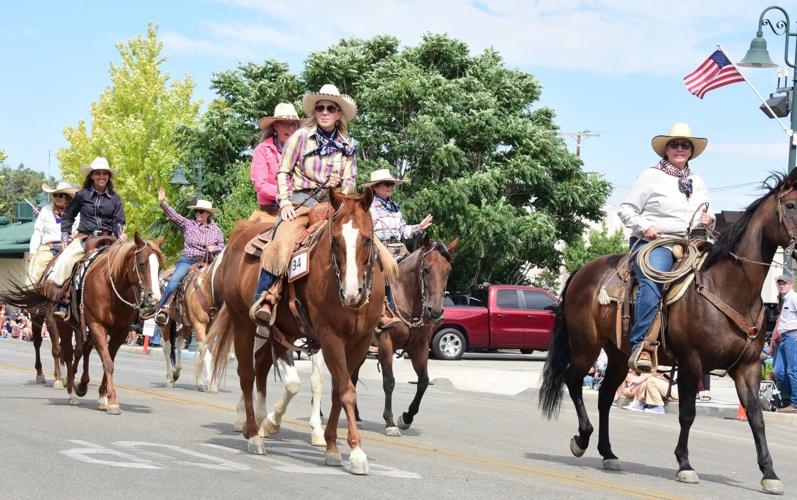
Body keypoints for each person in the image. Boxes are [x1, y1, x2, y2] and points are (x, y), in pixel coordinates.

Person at [249, 84, 360, 336]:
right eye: (319, 107)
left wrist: (341, 185)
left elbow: (352, 180)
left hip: (334, 203)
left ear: (338, 114)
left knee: (366, 242)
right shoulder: (300, 137)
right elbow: (283, 171)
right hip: (302, 200)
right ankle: (265, 297)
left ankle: (379, 306)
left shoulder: (347, 145)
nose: (324, 111)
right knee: (282, 239)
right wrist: (286, 202)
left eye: (330, 108)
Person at [618, 123, 714, 372]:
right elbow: (626, 209)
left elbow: (707, 209)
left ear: (691, 151)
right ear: (666, 150)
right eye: (675, 144)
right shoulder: (650, 176)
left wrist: (709, 218)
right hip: (655, 242)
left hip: (691, 242)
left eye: (685, 145)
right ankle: (642, 344)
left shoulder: (697, 181)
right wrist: (645, 226)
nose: (680, 149)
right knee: (653, 280)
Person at [48, 157, 126, 318]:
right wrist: (64, 238)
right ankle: (63, 302)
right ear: (91, 176)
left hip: (109, 240)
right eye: (98, 173)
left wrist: (121, 233)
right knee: (64, 262)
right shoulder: (82, 195)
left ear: (109, 177)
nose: (102, 176)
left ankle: (130, 309)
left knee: (127, 264)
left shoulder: (115, 198)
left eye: (105, 173)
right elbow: (68, 216)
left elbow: (119, 222)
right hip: (84, 239)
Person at [363, 168, 433, 330]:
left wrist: (419, 227)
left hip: (398, 248)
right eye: (387, 184)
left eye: (392, 184)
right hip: (378, 247)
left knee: (422, 267)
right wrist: (369, 226)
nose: (391, 186)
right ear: (375, 186)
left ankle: (422, 310)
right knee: (385, 272)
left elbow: (403, 232)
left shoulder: (394, 207)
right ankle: (383, 315)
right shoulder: (368, 206)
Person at [155, 188, 225, 325]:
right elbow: (174, 216)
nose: (198, 213)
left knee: (222, 282)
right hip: (187, 261)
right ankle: (163, 308)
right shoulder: (189, 225)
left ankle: (222, 312)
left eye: (201, 211)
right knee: (174, 281)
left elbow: (222, 247)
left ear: (208, 214)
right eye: (196, 211)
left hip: (207, 262)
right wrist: (163, 202)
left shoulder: (216, 230)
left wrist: (213, 248)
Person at [251, 103, 301, 221]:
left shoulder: (304, 150)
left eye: (294, 124)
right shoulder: (262, 149)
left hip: (300, 204)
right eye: (285, 123)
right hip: (270, 209)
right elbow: (260, 185)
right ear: (276, 125)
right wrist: (286, 194)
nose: (291, 128)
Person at [27, 181, 78, 285]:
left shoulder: (76, 211)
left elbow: (79, 229)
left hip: (71, 247)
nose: (57, 197)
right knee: (36, 268)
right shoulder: (46, 210)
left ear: (68, 197)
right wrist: (32, 252)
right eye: (55, 195)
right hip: (49, 247)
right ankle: (31, 296)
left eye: (61, 195)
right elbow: (37, 232)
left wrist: (74, 235)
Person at [773, 274, 797, 413]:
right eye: (780, 283)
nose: (782, 285)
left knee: (793, 371)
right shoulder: (783, 299)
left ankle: (795, 404)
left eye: (785, 283)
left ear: (791, 284)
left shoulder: (794, 298)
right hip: (783, 338)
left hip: (792, 336)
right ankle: (787, 400)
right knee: (779, 372)